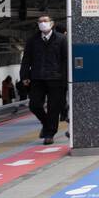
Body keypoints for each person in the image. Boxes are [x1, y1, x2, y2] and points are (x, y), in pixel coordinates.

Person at [21, 13, 69, 144]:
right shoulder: (32, 40)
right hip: (37, 77)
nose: (42, 23)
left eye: (45, 21)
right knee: (34, 105)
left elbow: (65, 60)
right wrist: (24, 75)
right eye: (40, 21)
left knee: (54, 107)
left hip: (57, 78)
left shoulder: (61, 39)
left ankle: (49, 134)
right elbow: (26, 59)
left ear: (52, 23)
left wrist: (65, 79)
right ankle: (46, 124)